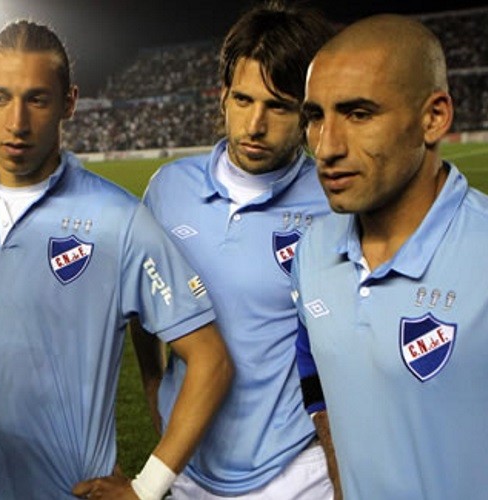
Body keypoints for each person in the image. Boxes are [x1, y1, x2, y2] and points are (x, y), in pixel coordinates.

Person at [0, 20, 232, 500]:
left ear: (69, 102)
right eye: (0, 98)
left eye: (37, 99)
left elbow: (211, 360)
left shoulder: (119, 220)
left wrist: (148, 487)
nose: (17, 122)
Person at [294, 14, 488, 499]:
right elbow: (316, 364)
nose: (326, 147)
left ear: (433, 117)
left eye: (359, 114)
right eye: (315, 117)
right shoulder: (312, 251)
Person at [134, 3, 337, 498]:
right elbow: (142, 304)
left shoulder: (335, 201)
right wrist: (153, 383)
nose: (255, 124)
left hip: (294, 469)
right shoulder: (168, 189)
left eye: (279, 106)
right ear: (223, 96)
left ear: (306, 112)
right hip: (187, 466)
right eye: (243, 100)